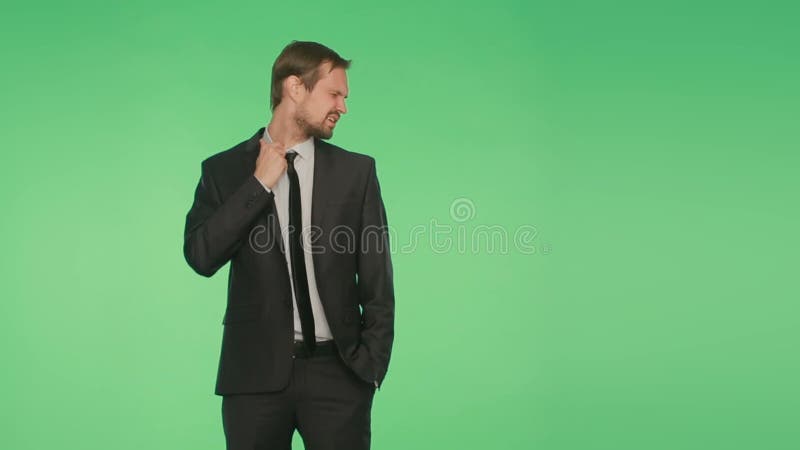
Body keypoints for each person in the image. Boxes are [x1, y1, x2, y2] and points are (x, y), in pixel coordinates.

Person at [182, 40, 395, 450]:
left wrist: (369, 367)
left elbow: (378, 281)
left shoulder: (356, 172)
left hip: (339, 376)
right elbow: (201, 256)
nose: (343, 107)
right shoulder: (223, 171)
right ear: (295, 87)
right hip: (253, 379)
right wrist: (258, 185)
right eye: (334, 94)